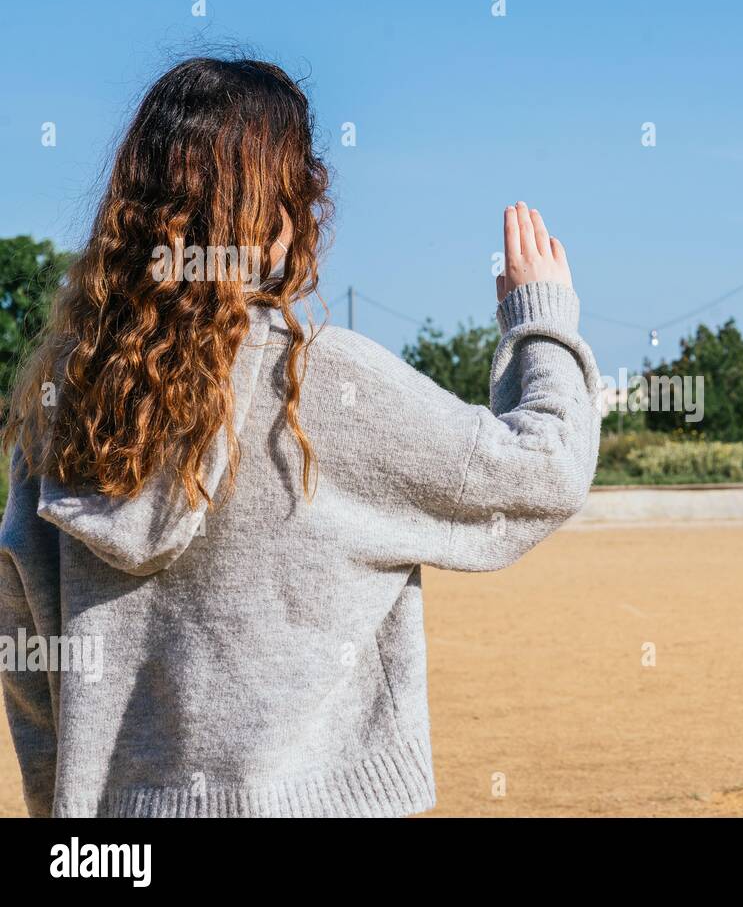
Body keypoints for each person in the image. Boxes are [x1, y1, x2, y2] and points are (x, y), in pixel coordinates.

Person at [0, 57, 601, 817]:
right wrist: (541, 321)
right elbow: (542, 470)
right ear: (279, 206)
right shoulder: (321, 388)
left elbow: (27, 668)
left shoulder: (62, 408)